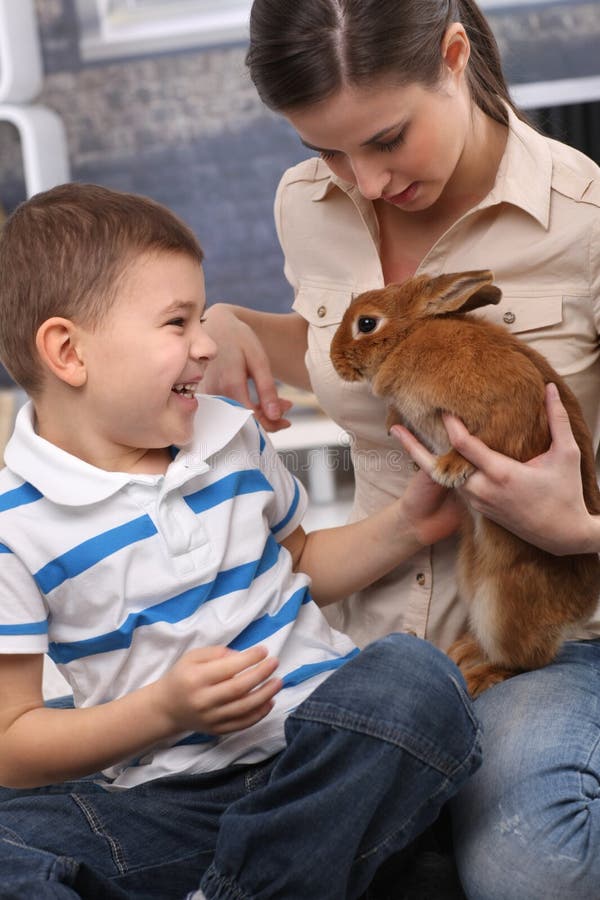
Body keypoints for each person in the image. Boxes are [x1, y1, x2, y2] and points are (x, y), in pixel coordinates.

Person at [199, 1, 600, 898]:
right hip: (366, 624)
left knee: (532, 860)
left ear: (454, 56)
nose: (364, 182)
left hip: (542, 626)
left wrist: (574, 529)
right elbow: (334, 352)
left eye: (385, 140)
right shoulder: (305, 205)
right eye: (327, 150)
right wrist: (227, 325)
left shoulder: (585, 220)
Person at [0, 182, 482, 900]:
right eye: (176, 322)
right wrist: (165, 711)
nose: (205, 342)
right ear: (69, 352)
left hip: (322, 756)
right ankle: (291, 874)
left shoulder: (231, 437)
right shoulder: (16, 525)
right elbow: (15, 743)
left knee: (416, 681)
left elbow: (300, 567)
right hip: (164, 804)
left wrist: (408, 526)